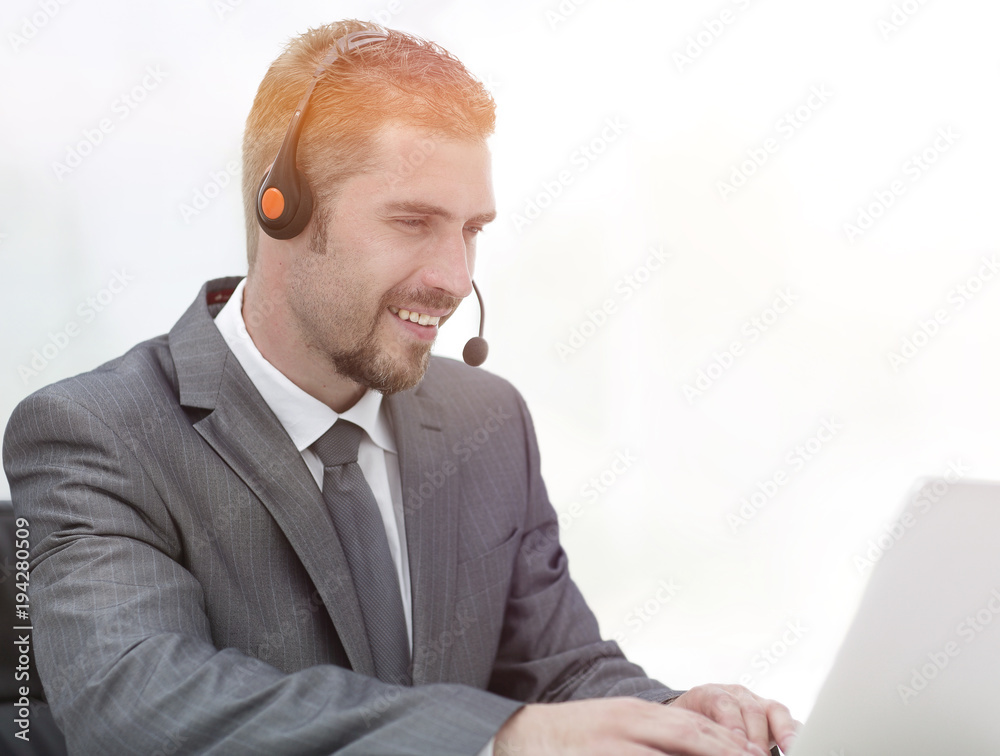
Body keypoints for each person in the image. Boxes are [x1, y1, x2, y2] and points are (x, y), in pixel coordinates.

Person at [3, 19, 798, 755]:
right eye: (413, 222)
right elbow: (139, 701)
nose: (454, 278)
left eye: (472, 229)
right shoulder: (96, 434)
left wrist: (679, 717)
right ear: (282, 210)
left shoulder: (488, 419)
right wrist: (502, 740)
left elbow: (558, 672)